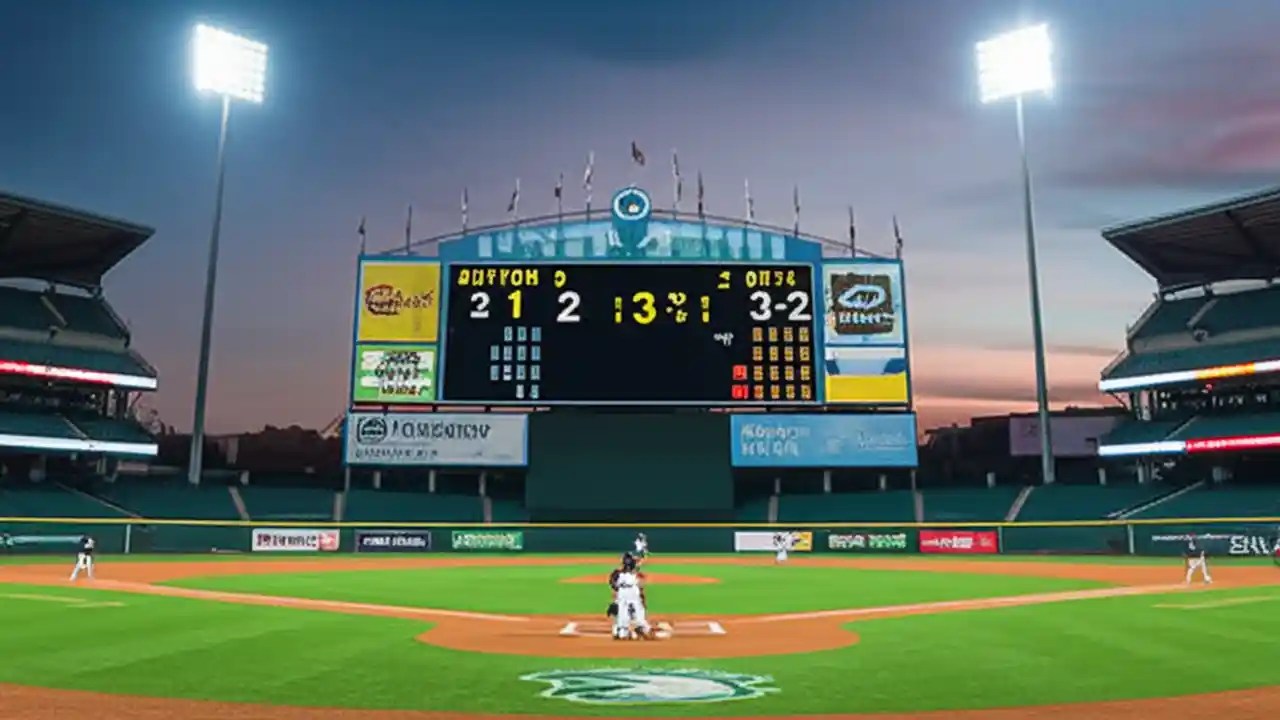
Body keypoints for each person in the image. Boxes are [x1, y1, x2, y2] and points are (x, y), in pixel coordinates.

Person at [609, 552, 652, 640]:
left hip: (624, 592)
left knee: (624, 611)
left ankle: (623, 631)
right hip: (631, 591)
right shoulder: (630, 572)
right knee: (636, 610)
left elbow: (613, 584)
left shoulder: (618, 573)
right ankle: (641, 628)